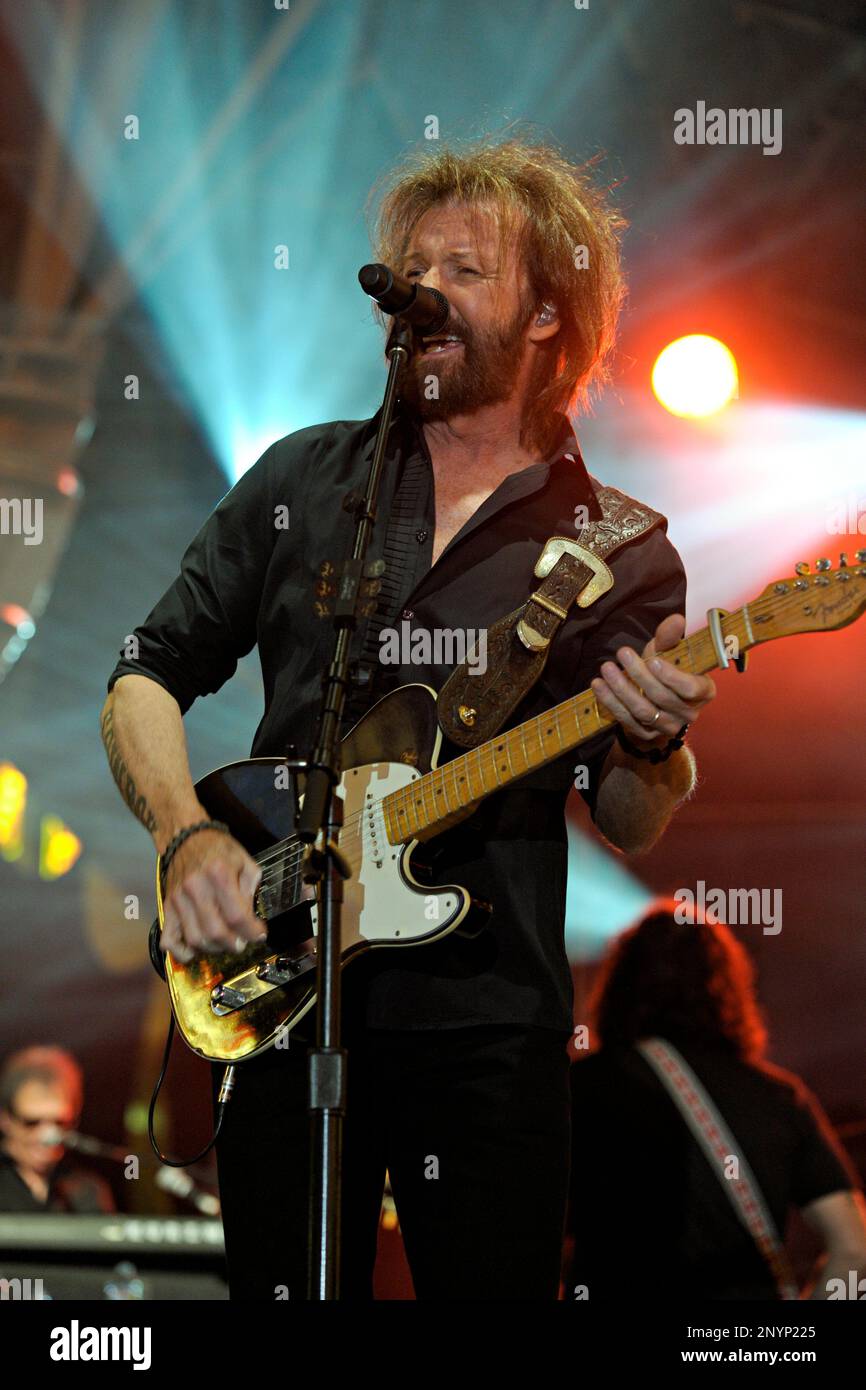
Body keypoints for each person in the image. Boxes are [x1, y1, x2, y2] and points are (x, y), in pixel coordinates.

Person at [100, 139, 716, 1300]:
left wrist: (652, 740)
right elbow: (144, 671)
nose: (422, 288)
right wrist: (186, 836)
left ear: (545, 317)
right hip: (284, 1000)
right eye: (411, 264)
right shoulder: (299, 484)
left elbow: (631, 819)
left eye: (465, 270)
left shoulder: (616, 550)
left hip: (487, 1027)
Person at [564, 903, 866, 1300]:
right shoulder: (779, 1096)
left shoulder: (580, 1086)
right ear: (726, 986)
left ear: (619, 985)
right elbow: (854, 1250)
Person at [0, 1046, 114, 1214]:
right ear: (5, 1120)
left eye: (60, 1123)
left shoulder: (88, 1189)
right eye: (32, 1122)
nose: (47, 1135)